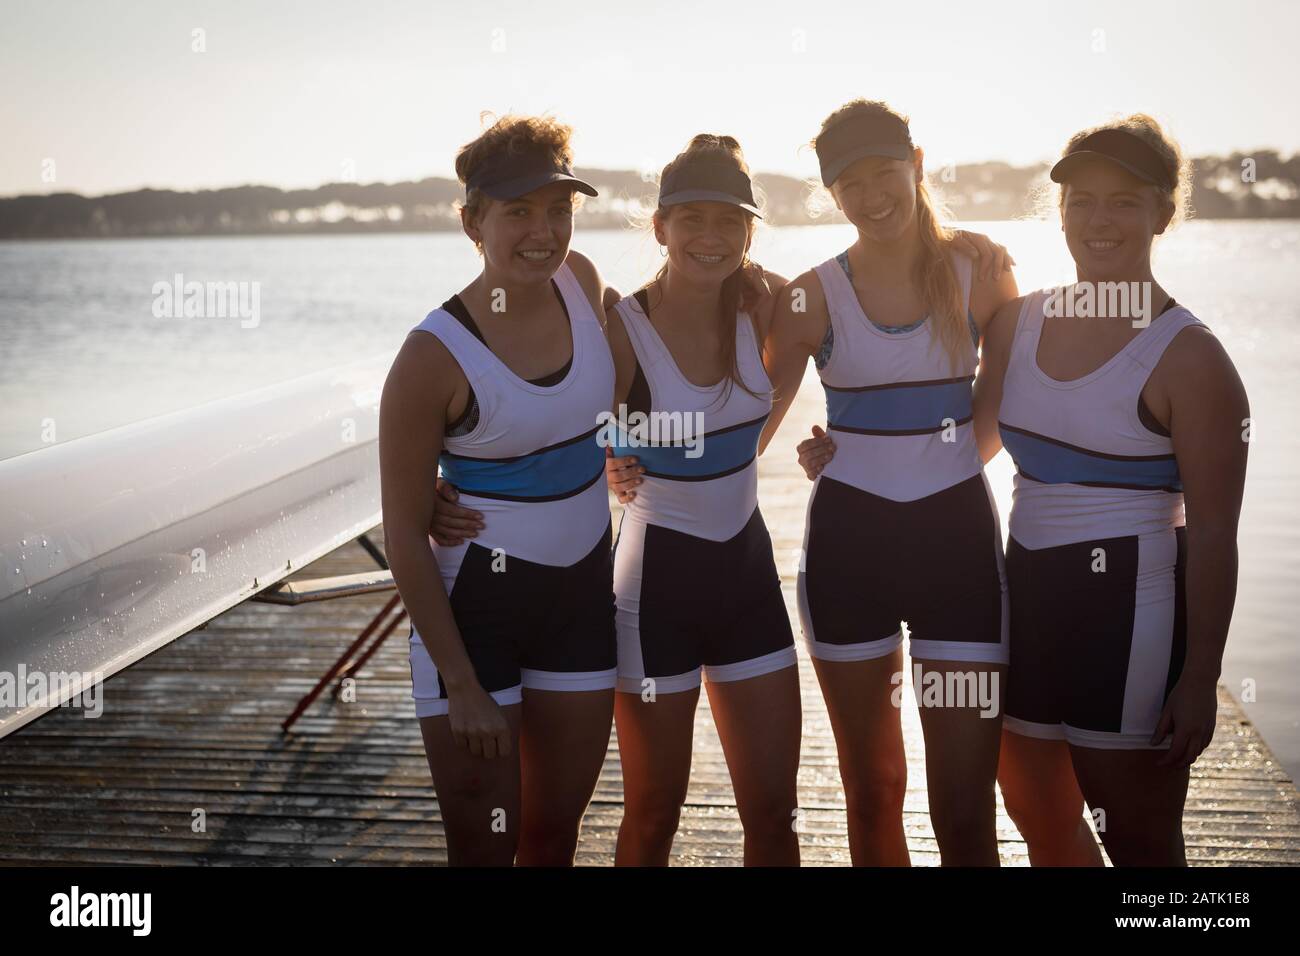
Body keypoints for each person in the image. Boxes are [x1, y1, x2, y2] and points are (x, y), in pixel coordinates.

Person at [982, 115, 1249, 866]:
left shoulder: (1190, 359)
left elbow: (1218, 536)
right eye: (1081, 201)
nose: (1100, 221)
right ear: (1057, 210)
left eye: (1125, 202)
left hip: (1133, 618)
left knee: (1138, 842)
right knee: (1038, 819)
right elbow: (965, 443)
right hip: (1027, 609)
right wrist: (842, 450)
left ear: (1164, 212)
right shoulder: (1016, 324)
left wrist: (1201, 679)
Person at [770, 99, 1018, 865]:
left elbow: (1007, 410)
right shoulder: (809, 293)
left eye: (884, 172)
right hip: (850, 555)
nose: (871, 195)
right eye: (849, 183)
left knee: (963, 799)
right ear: (831, 195)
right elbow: (738, 426)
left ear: (916, 163)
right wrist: (623, 444)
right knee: (873, 790)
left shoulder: (983, 270)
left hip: (959, 559)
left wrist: (921, 465)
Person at [379, 114, 619, 866]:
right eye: (518, 211)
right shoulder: (431, 357)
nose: (543, 231)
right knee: (486, 848)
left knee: (553, 838)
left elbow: (620, 395)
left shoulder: (582, 283)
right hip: (474, 619)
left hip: (582, 602)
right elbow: (405, 538)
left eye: (559, 209)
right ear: (472, 222)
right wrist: (463, 684)